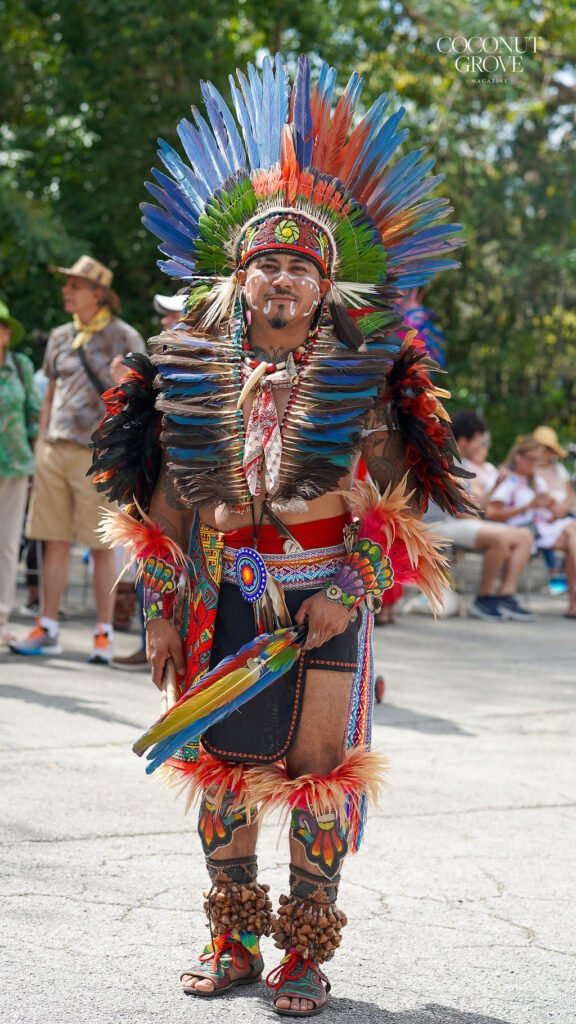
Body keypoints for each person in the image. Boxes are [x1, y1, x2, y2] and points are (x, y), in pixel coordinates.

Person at [91, 55, 469, 1015]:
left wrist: (349, 593)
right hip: (221, 594)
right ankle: (230, 939)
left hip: (324, 600)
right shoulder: (187, 373)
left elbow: (395, 509)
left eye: (302, 267)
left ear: (327, 285)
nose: (284, 280)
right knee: (220, 768)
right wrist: (163, 617)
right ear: (240, 277)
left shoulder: (368, 379)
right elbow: (168, 509)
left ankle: (303, 950)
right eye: (268, 264)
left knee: (315, 774)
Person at [10, 256, 146, 662]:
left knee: (101, 546)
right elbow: (51, 392)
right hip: (55, 448)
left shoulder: (126, 337)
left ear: (97, 293)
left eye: (74, 285)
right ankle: (47, 628)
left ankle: (103, 636)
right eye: (66, 283)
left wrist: (121, 378)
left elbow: (141, 399)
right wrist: (40, 447)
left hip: (100, 455)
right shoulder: (58, 336)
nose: (66, 291)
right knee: (52, 541)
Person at [110, 291, 187, 671]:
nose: (164, 322)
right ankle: (154, 631)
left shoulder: (207, 367)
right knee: (153, 550)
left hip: (197, 505)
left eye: (173, 314)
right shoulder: (163, 364)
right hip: (160, 488)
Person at [426, 410, 535, 621]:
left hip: (453, 521)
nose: (480, 446)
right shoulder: (444, 458)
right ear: (464, 440)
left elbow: (470, 505)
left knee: (525, 536)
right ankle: (484, 599)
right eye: (478, 440)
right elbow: (462, 509)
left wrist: (494, 489)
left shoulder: (458, 461)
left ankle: (505, 595)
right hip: (435, 524)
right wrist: (484, 522)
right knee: (499, 537)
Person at [486, 435, 576, 619]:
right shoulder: (507, 480)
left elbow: (549, 514)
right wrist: (529, 507)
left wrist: (552, 509)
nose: (534, 464)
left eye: (537, 459)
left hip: (541, 528)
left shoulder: (537, 481)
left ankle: (574, 600)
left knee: (572, 530)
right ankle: (574, 600)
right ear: (518, 456)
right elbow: (492, 514)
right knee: (572, 534)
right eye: (531, 459)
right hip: (519, 529)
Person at [0, 301, 42, 643]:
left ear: (7, 333)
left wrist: (36, 463)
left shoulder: (21, 365)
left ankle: (1, 618)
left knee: (8, 544)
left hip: (15, 464)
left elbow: (32, 414)